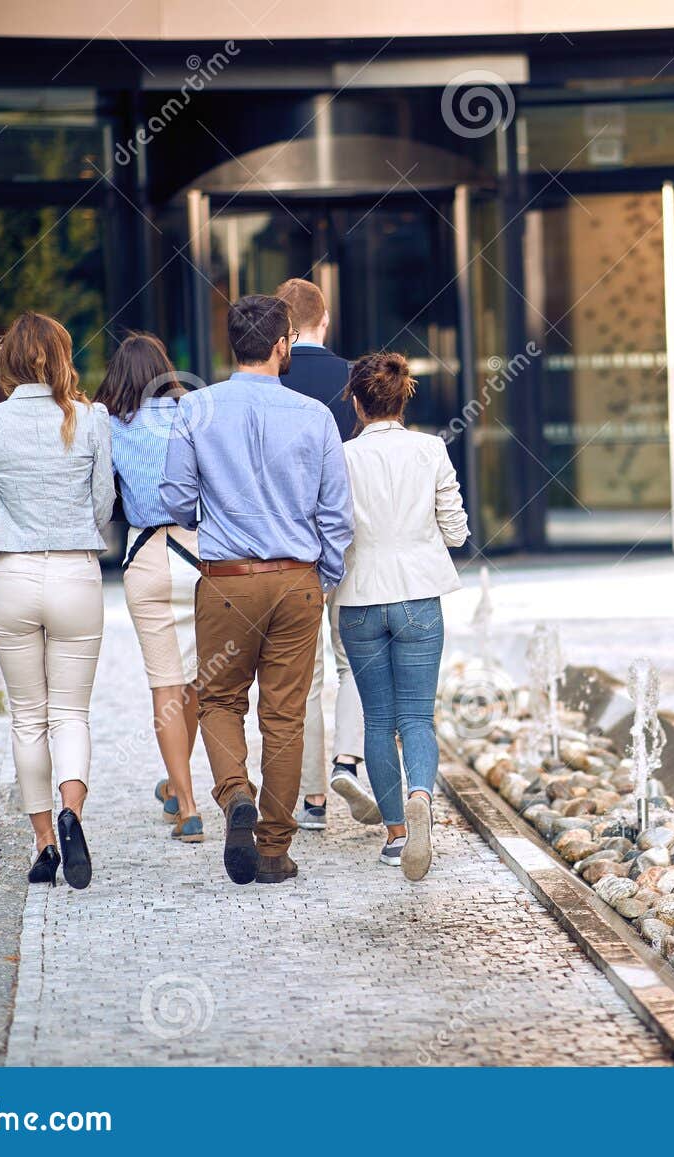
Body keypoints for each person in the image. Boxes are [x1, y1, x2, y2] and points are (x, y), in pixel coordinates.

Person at [160, 294, 353, 886]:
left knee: (219, 700)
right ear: (281, 345)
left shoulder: (195, 411)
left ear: (231, 346)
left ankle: (234, 794)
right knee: (286, 716)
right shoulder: (315, 416)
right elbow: (337, 516)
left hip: (226, 583)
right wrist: (321, 577)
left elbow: (171, 500)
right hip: (296, 581)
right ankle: (272, 849)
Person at [0, 312, 114, 890]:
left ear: (7, 362)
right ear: (60, 357)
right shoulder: (92, 420)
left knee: (27, 718)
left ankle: (46, 847)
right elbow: (103, 505)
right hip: (75, 572)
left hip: (13, 576)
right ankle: (74, 810)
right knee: (71, 713)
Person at [335, 353, 468, 881]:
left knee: (377, 720)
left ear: (356, 401)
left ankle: (394, 833)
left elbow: (331, 526)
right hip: (419, 595)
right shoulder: (431, 449)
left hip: (361, 598)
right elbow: (455, 529)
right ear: (402, 398)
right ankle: (420, 798)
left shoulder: (342, 457)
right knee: (417, 718)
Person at [273, 278, 377, 832]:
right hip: (348, 543)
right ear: (325, 319)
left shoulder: (273, 378)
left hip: (291, 549)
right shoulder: (354, 378)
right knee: (352, 660)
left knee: (303, 676)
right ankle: (348, 762)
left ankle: (311, 799)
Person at [94, 333, 204, 843]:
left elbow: (101, 495)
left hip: (145, 559)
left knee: (165, 685)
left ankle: (186, 803)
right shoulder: (192, 415)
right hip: (199, 556)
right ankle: (180, 785)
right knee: (199, 680)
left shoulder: (111, 425)